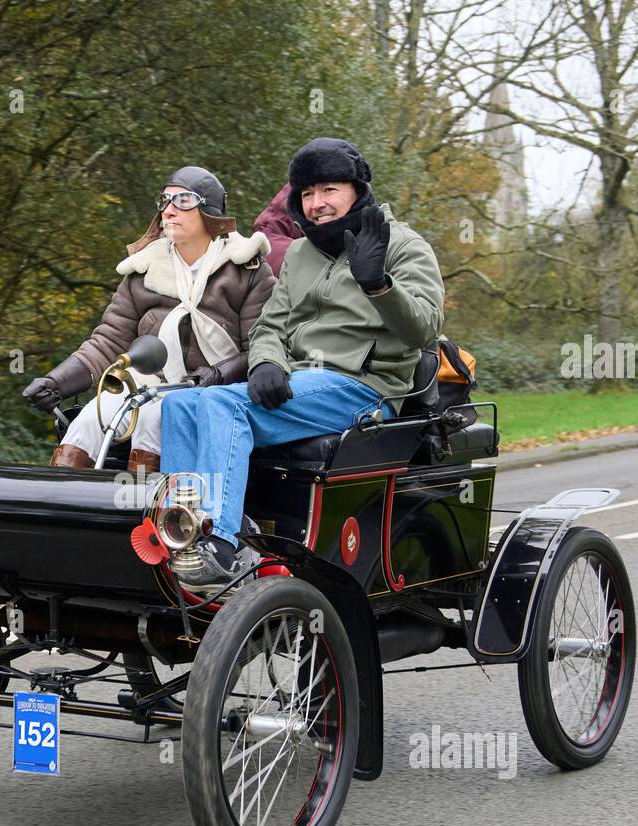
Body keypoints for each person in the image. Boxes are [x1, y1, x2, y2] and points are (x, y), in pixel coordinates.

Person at [160, 137, 446, 586]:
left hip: (364, 389)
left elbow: (424, 330)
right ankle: (175, 535)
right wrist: (266, 363)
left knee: (221, 404)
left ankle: (216, 543)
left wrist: (379, 285)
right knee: (178, 405)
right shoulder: (300, 253)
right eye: (308, 194)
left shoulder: (404, 246)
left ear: (356, 189)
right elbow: (269, 327)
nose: (317, 204)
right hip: (299, 382)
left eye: (329, 190)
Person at [22, 166, 275, 473]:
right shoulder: (143, 270)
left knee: (156, 421)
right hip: (144, 386)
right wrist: (56, 382)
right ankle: (62, 505)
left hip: (215, 393)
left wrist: (218, 375)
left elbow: (262, 347)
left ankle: (143, 513)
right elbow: (108, 342)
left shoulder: (248, 270)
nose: (168, 211)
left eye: (182, 201)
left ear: (209, 210)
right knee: (92, 417)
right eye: (164, 202)